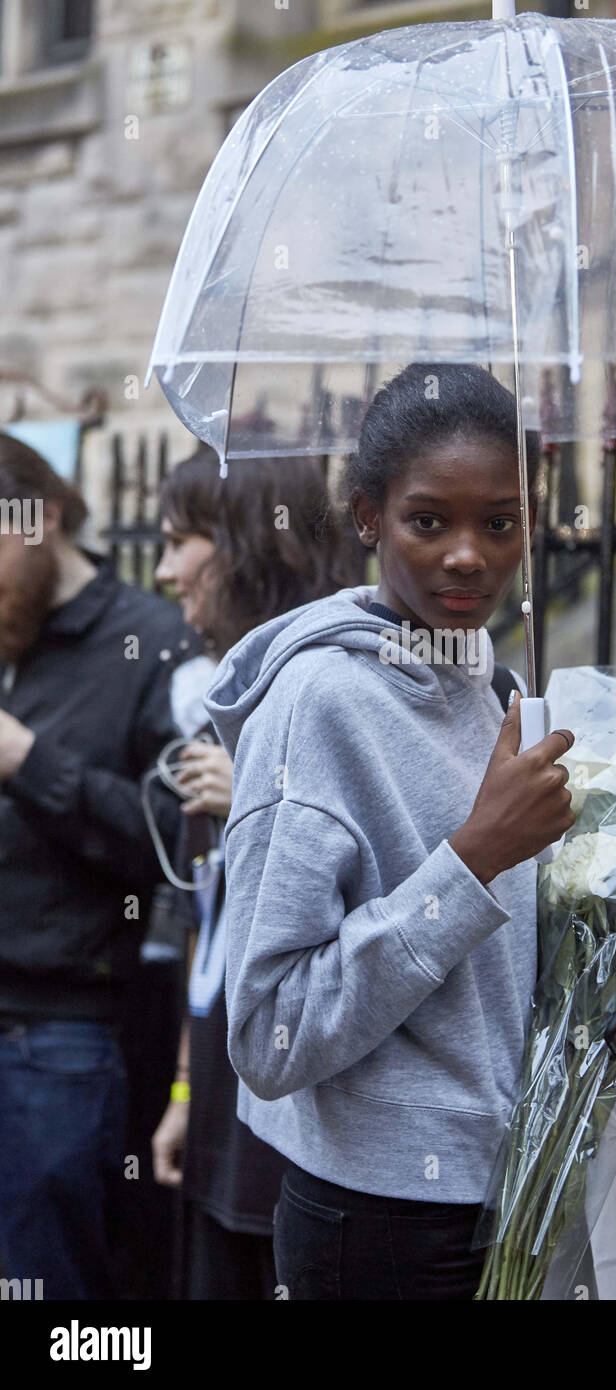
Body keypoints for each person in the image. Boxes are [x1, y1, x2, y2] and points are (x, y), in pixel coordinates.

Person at [203, 363, 616, 1301]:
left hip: (521, 1191)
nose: (469, 556)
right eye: (428, 521)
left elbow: (503, 987)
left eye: (500, 523)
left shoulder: (500, 693)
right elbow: (271, 1034)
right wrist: (473, 859)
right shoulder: (318, 704)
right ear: (368, 517)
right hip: (380, 1225)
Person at [149, 442, 352, 1299]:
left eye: (179, 542)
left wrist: (262, 805)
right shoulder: (222, 702)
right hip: (220, 1091)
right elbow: (206, 923)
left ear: (247, 545)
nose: (163, 572)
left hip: (304, 1116)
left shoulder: (333, 689)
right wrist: (184, 1090)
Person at [0, 433, 192, 1300]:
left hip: (61, 1035)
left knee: (51, 1289)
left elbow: (175, 837)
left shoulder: (151, 641)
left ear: (39, 520)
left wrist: (27, 761)